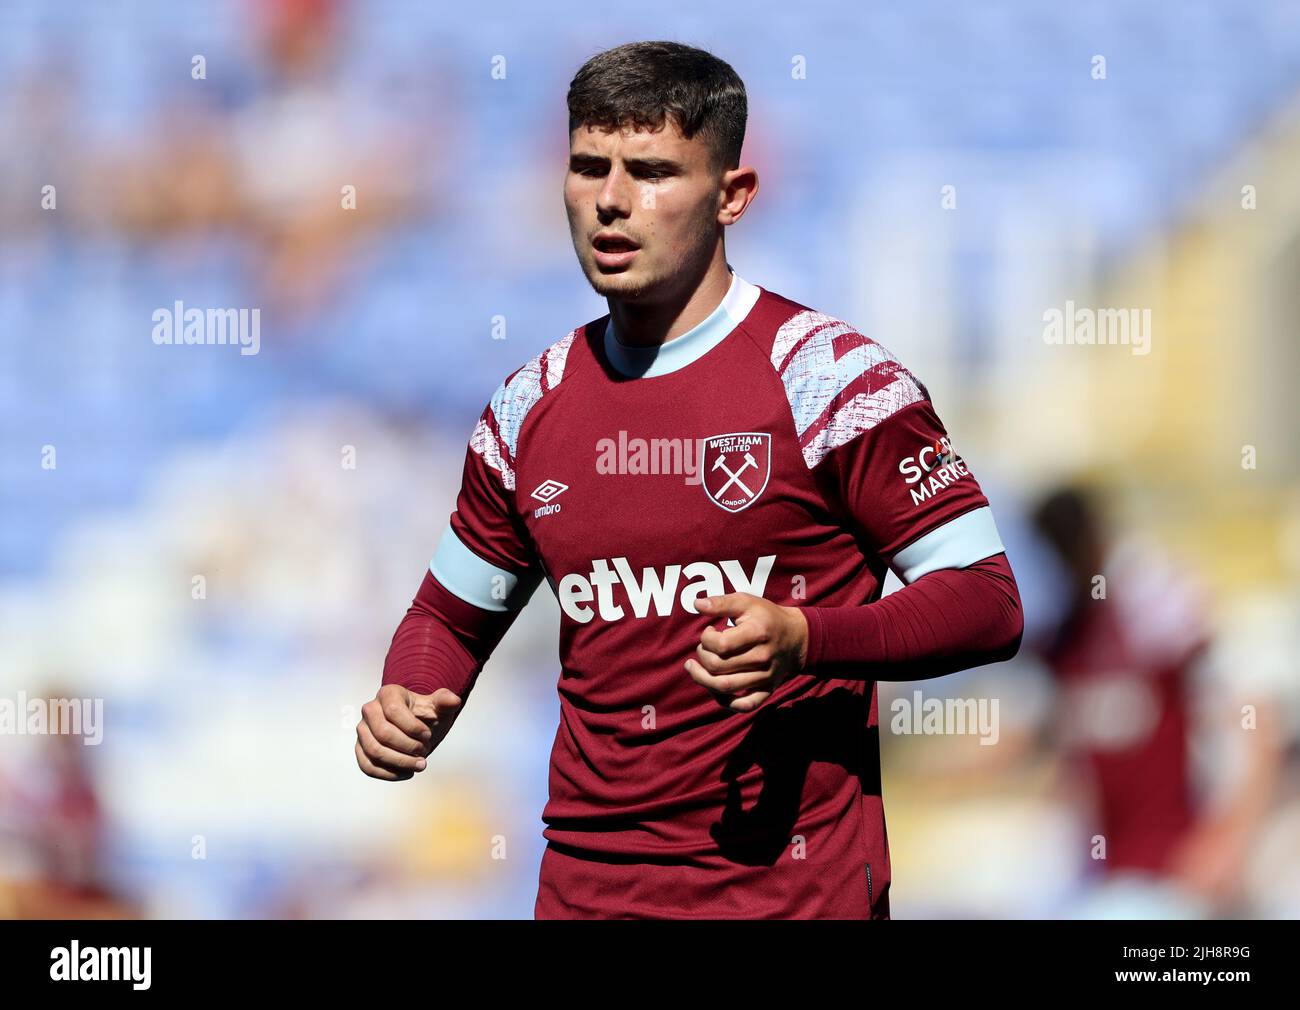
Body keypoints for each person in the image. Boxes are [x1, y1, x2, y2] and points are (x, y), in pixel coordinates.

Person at [356, 40, 1023, 919]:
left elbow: (987, 600)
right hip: (588, 896)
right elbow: (449, 613)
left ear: (732, 196)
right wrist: (409, 693)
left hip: (787, 899)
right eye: (588, 167)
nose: (612, 201)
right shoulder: (528, 410)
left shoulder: (832, 381)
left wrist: (806, 637)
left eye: (654, 171)